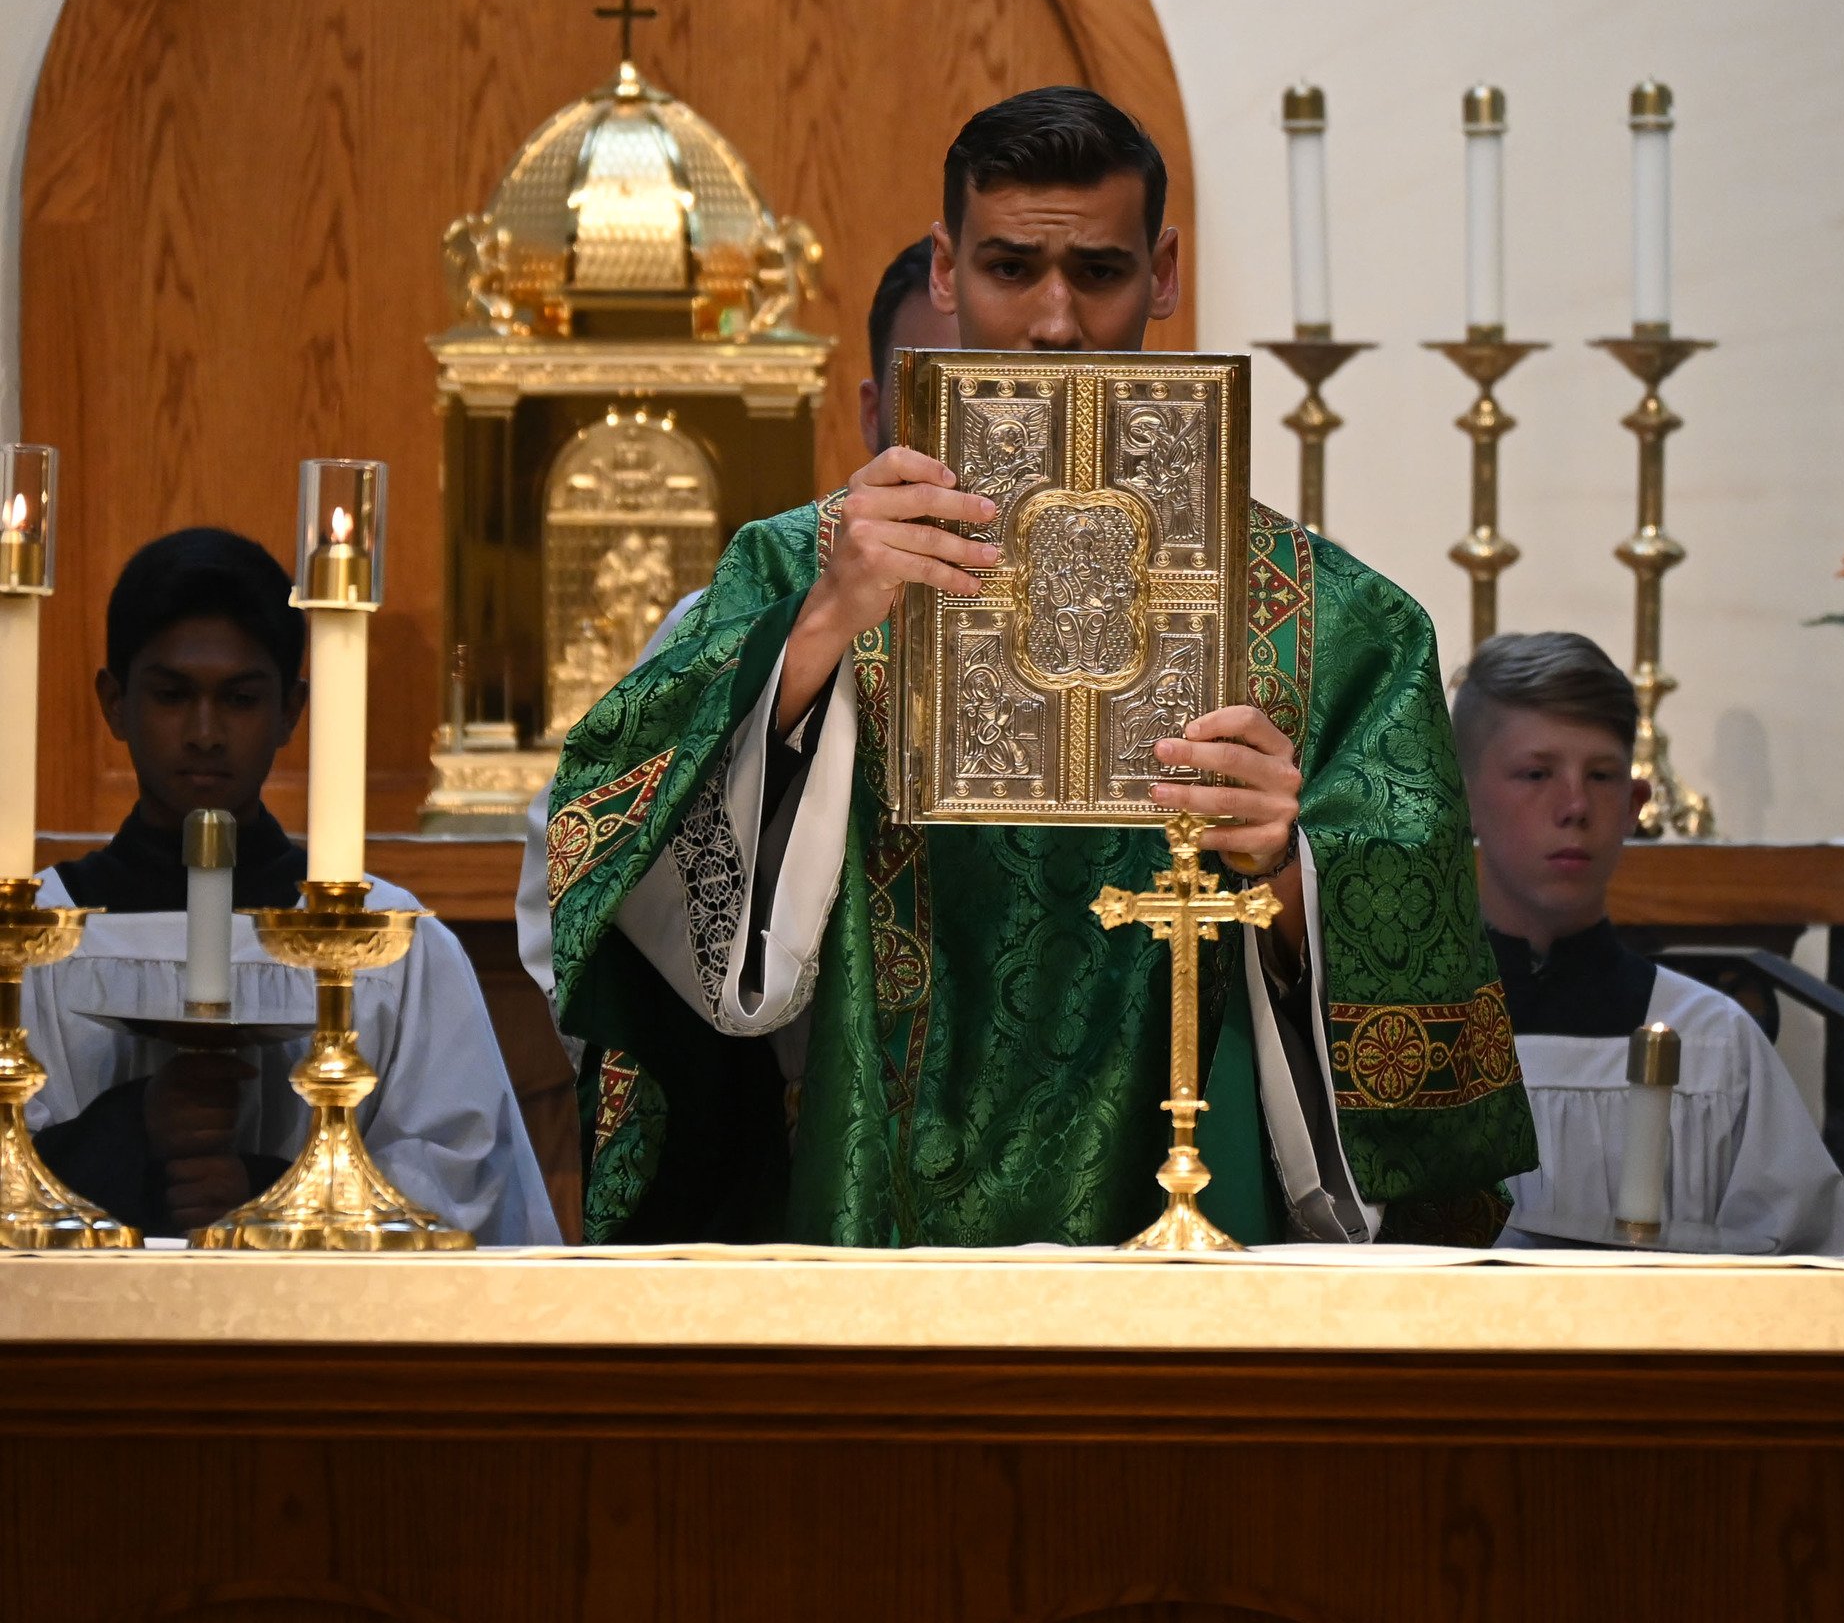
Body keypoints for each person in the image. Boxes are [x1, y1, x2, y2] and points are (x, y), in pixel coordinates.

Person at [549, 87, 1535, 1248]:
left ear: (1161, 272)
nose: (1055, 322)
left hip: (1201, 1250)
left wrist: (1289, 875)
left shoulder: (1340, 624)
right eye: (1012, 267)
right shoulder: (794, 568)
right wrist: (814, 639)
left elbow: (1417, 993)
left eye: (1101, 271)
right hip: (867, 1236)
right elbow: (604, 849)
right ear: (945, 265)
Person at [26, 528, 560, 1245]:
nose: (206, 732)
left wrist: (267, 1192)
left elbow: (456, 1173)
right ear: (116, 703)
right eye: (172, 694)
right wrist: (129, 1133)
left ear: (290, 711)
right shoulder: (37, 934)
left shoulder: (394, 942)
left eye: (241, 699)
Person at [513, 238, 958, 1015]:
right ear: (872, 413)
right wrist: (803, 652)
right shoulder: (758, 606)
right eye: (942, 391)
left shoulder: (1214, 612)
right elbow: (582, 862)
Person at [1452, 629, 1844, 1255]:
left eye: (1603, 776)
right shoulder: (1400, 1032)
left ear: (1634, 805)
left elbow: (1805, 1271)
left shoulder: (1712, 1044)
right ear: (1462, 800)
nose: (1574, 806)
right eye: (1536, 773)